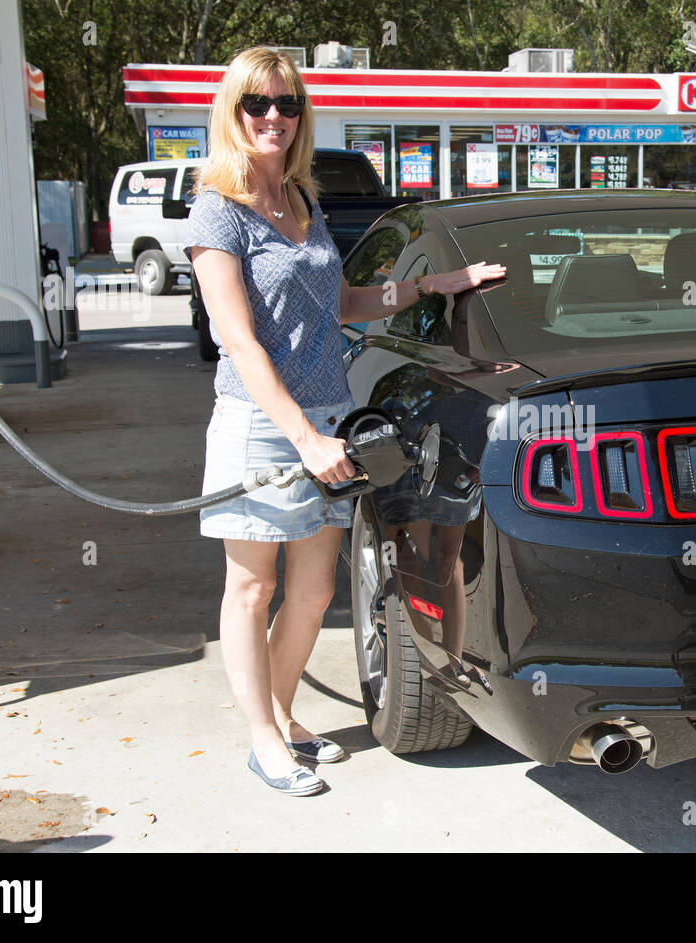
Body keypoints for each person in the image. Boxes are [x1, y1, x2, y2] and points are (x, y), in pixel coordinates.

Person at [184, 47, 504, 796]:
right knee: (251, 589)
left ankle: (285, 713)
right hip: (264, 426)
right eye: (256, 105)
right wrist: (302, 435)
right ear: (232, 113)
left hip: (327, 418)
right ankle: (264, 738)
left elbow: (338, 302)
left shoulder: (300, 201)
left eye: (287, 104)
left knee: (314, 589)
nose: (273, 117)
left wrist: (435, 283)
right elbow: (238, 339)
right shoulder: (216, 209)